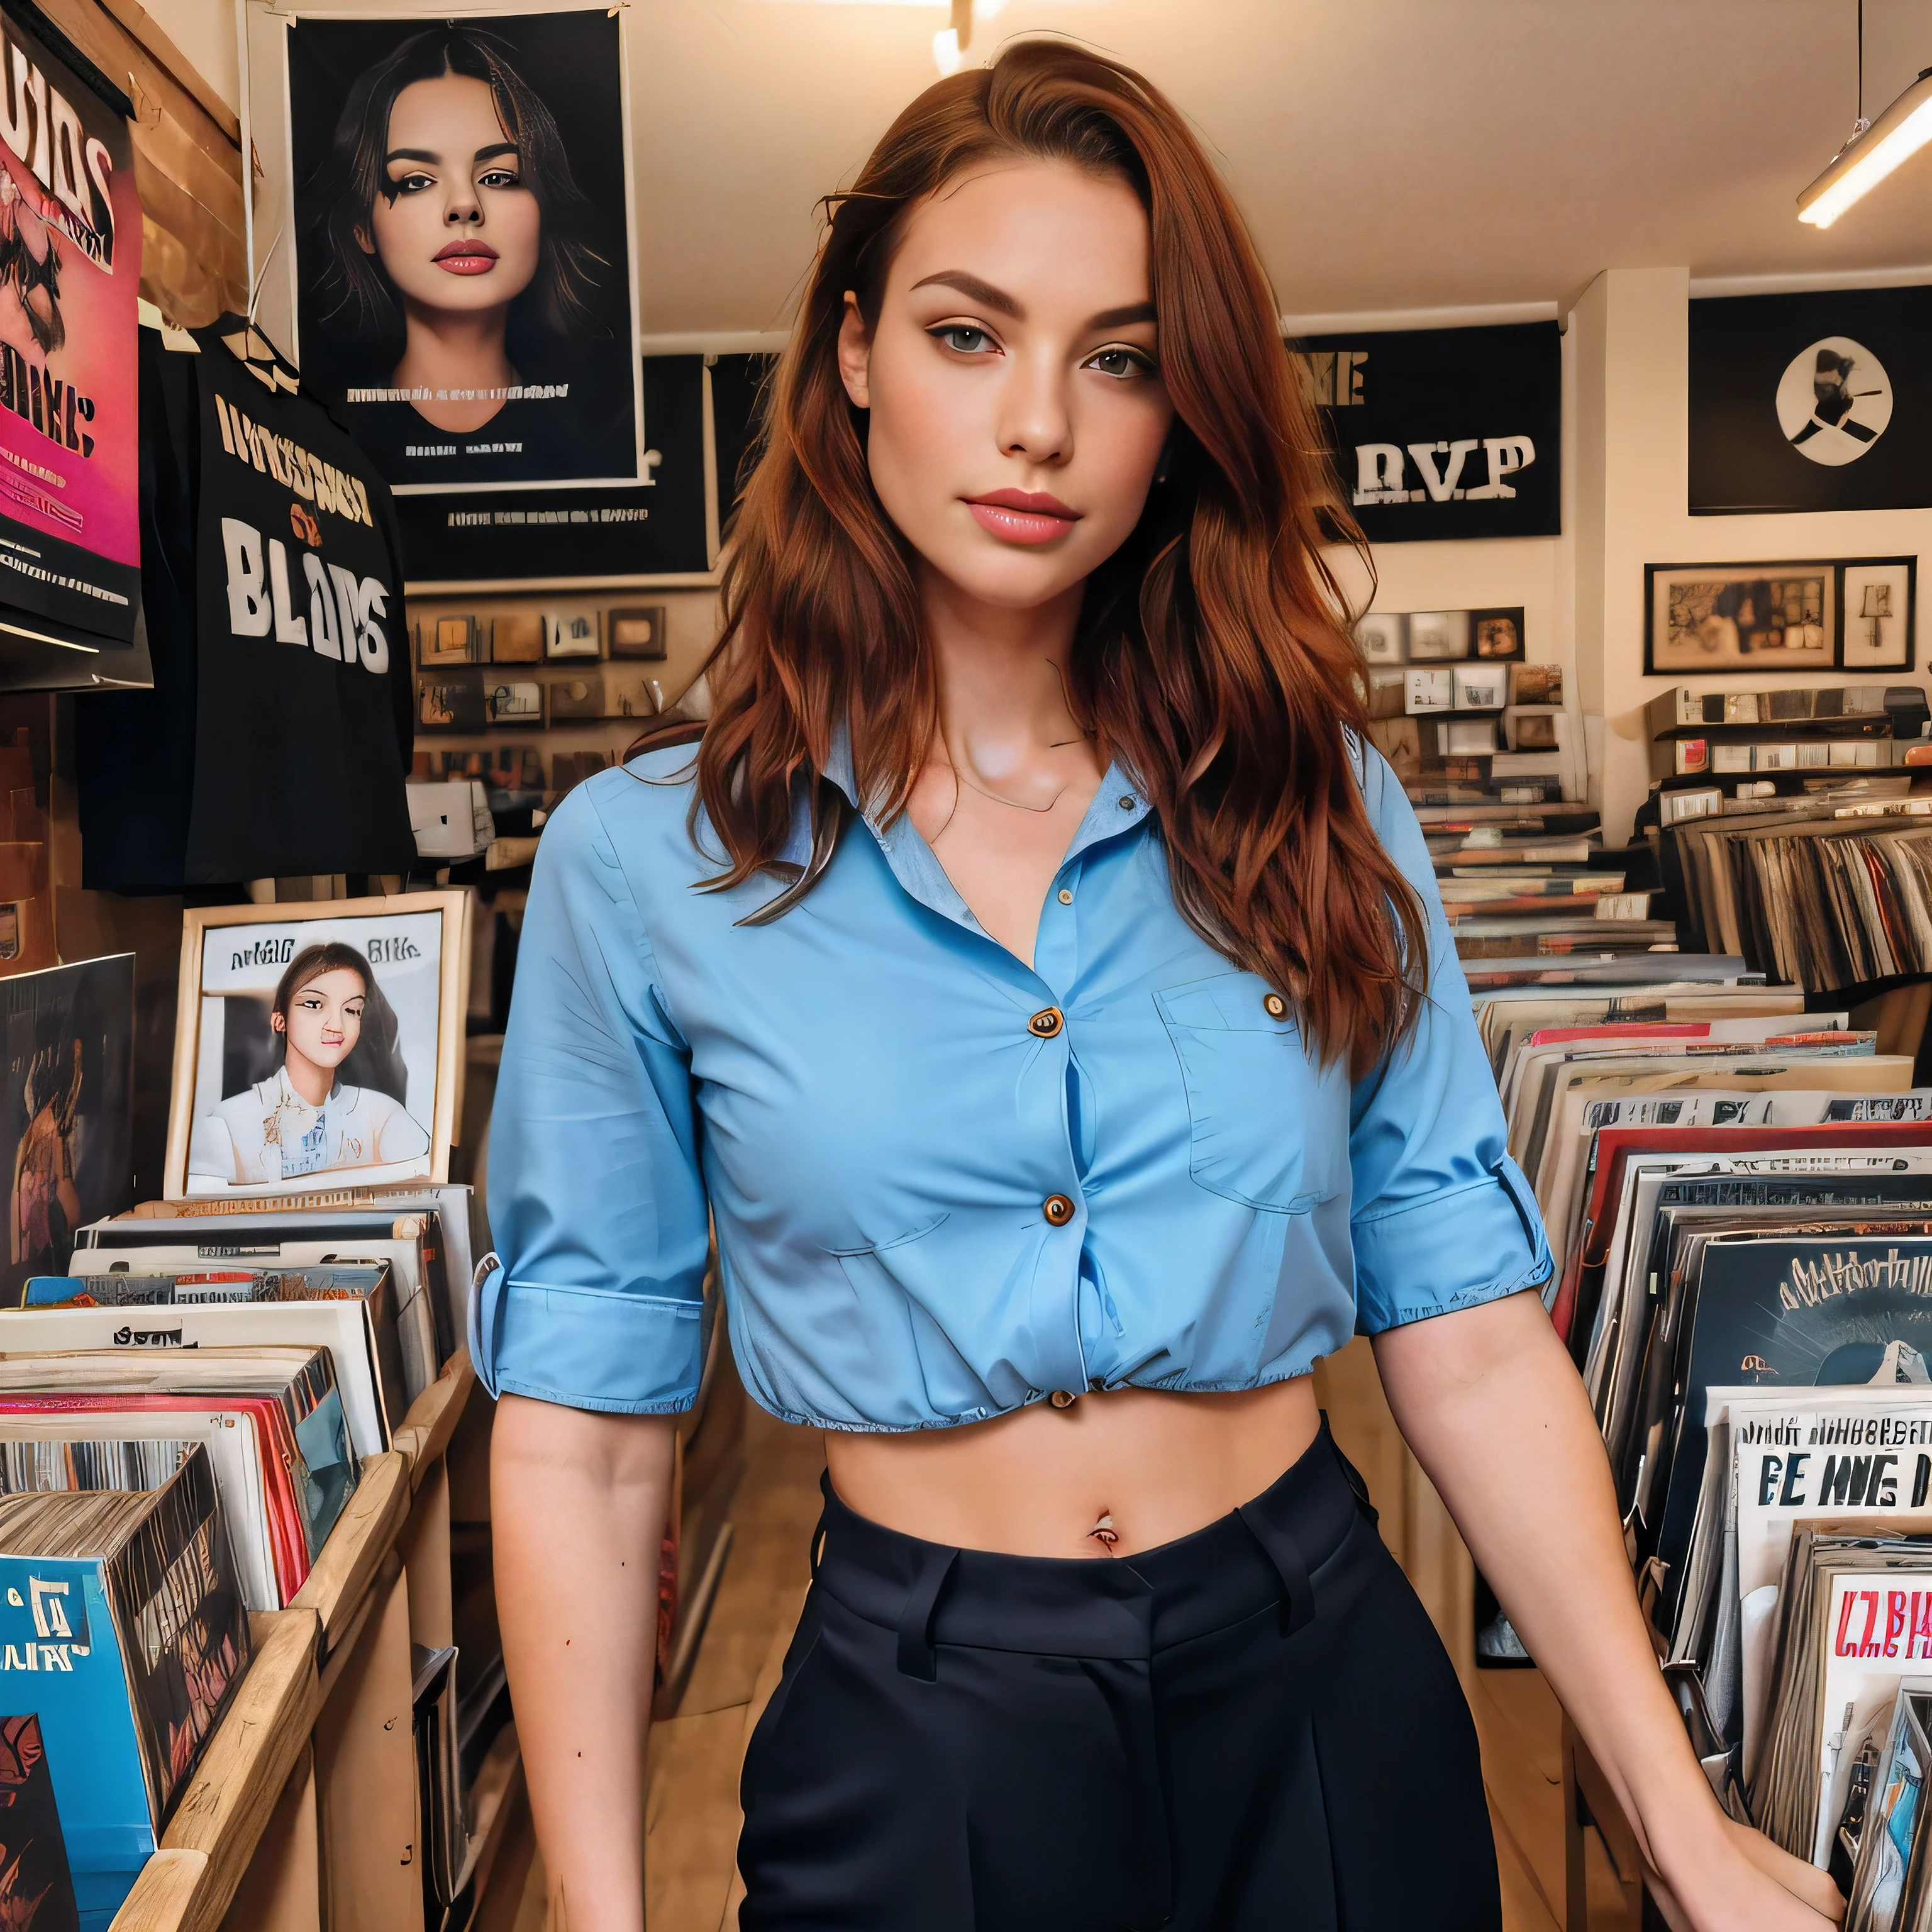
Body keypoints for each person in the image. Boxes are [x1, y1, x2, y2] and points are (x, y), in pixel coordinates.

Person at [481, 43, 1848, 1932]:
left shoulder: (1319, 802)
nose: (1039, 422)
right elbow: (582, 1431)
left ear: (1178, 408)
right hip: (915, 1723)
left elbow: (1461, 1325)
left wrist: (1681, 1832)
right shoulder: (644, 864)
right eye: (971, 336)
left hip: (1315, 1679)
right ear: (856, 349)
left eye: (1116, 357)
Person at [303, 23, 630, 479]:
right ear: (362, 228)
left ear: (543, 208)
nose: (464, 207)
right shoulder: (323, 456)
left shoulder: (588, 454)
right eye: (415, 181)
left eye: (499, 177)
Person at [188, 941, 428, 1187]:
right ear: (280, 1020)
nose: (337, 1025)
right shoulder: (228, 1124)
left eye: (352, 1010)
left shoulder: (382, 1116)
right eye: (314, 1005)